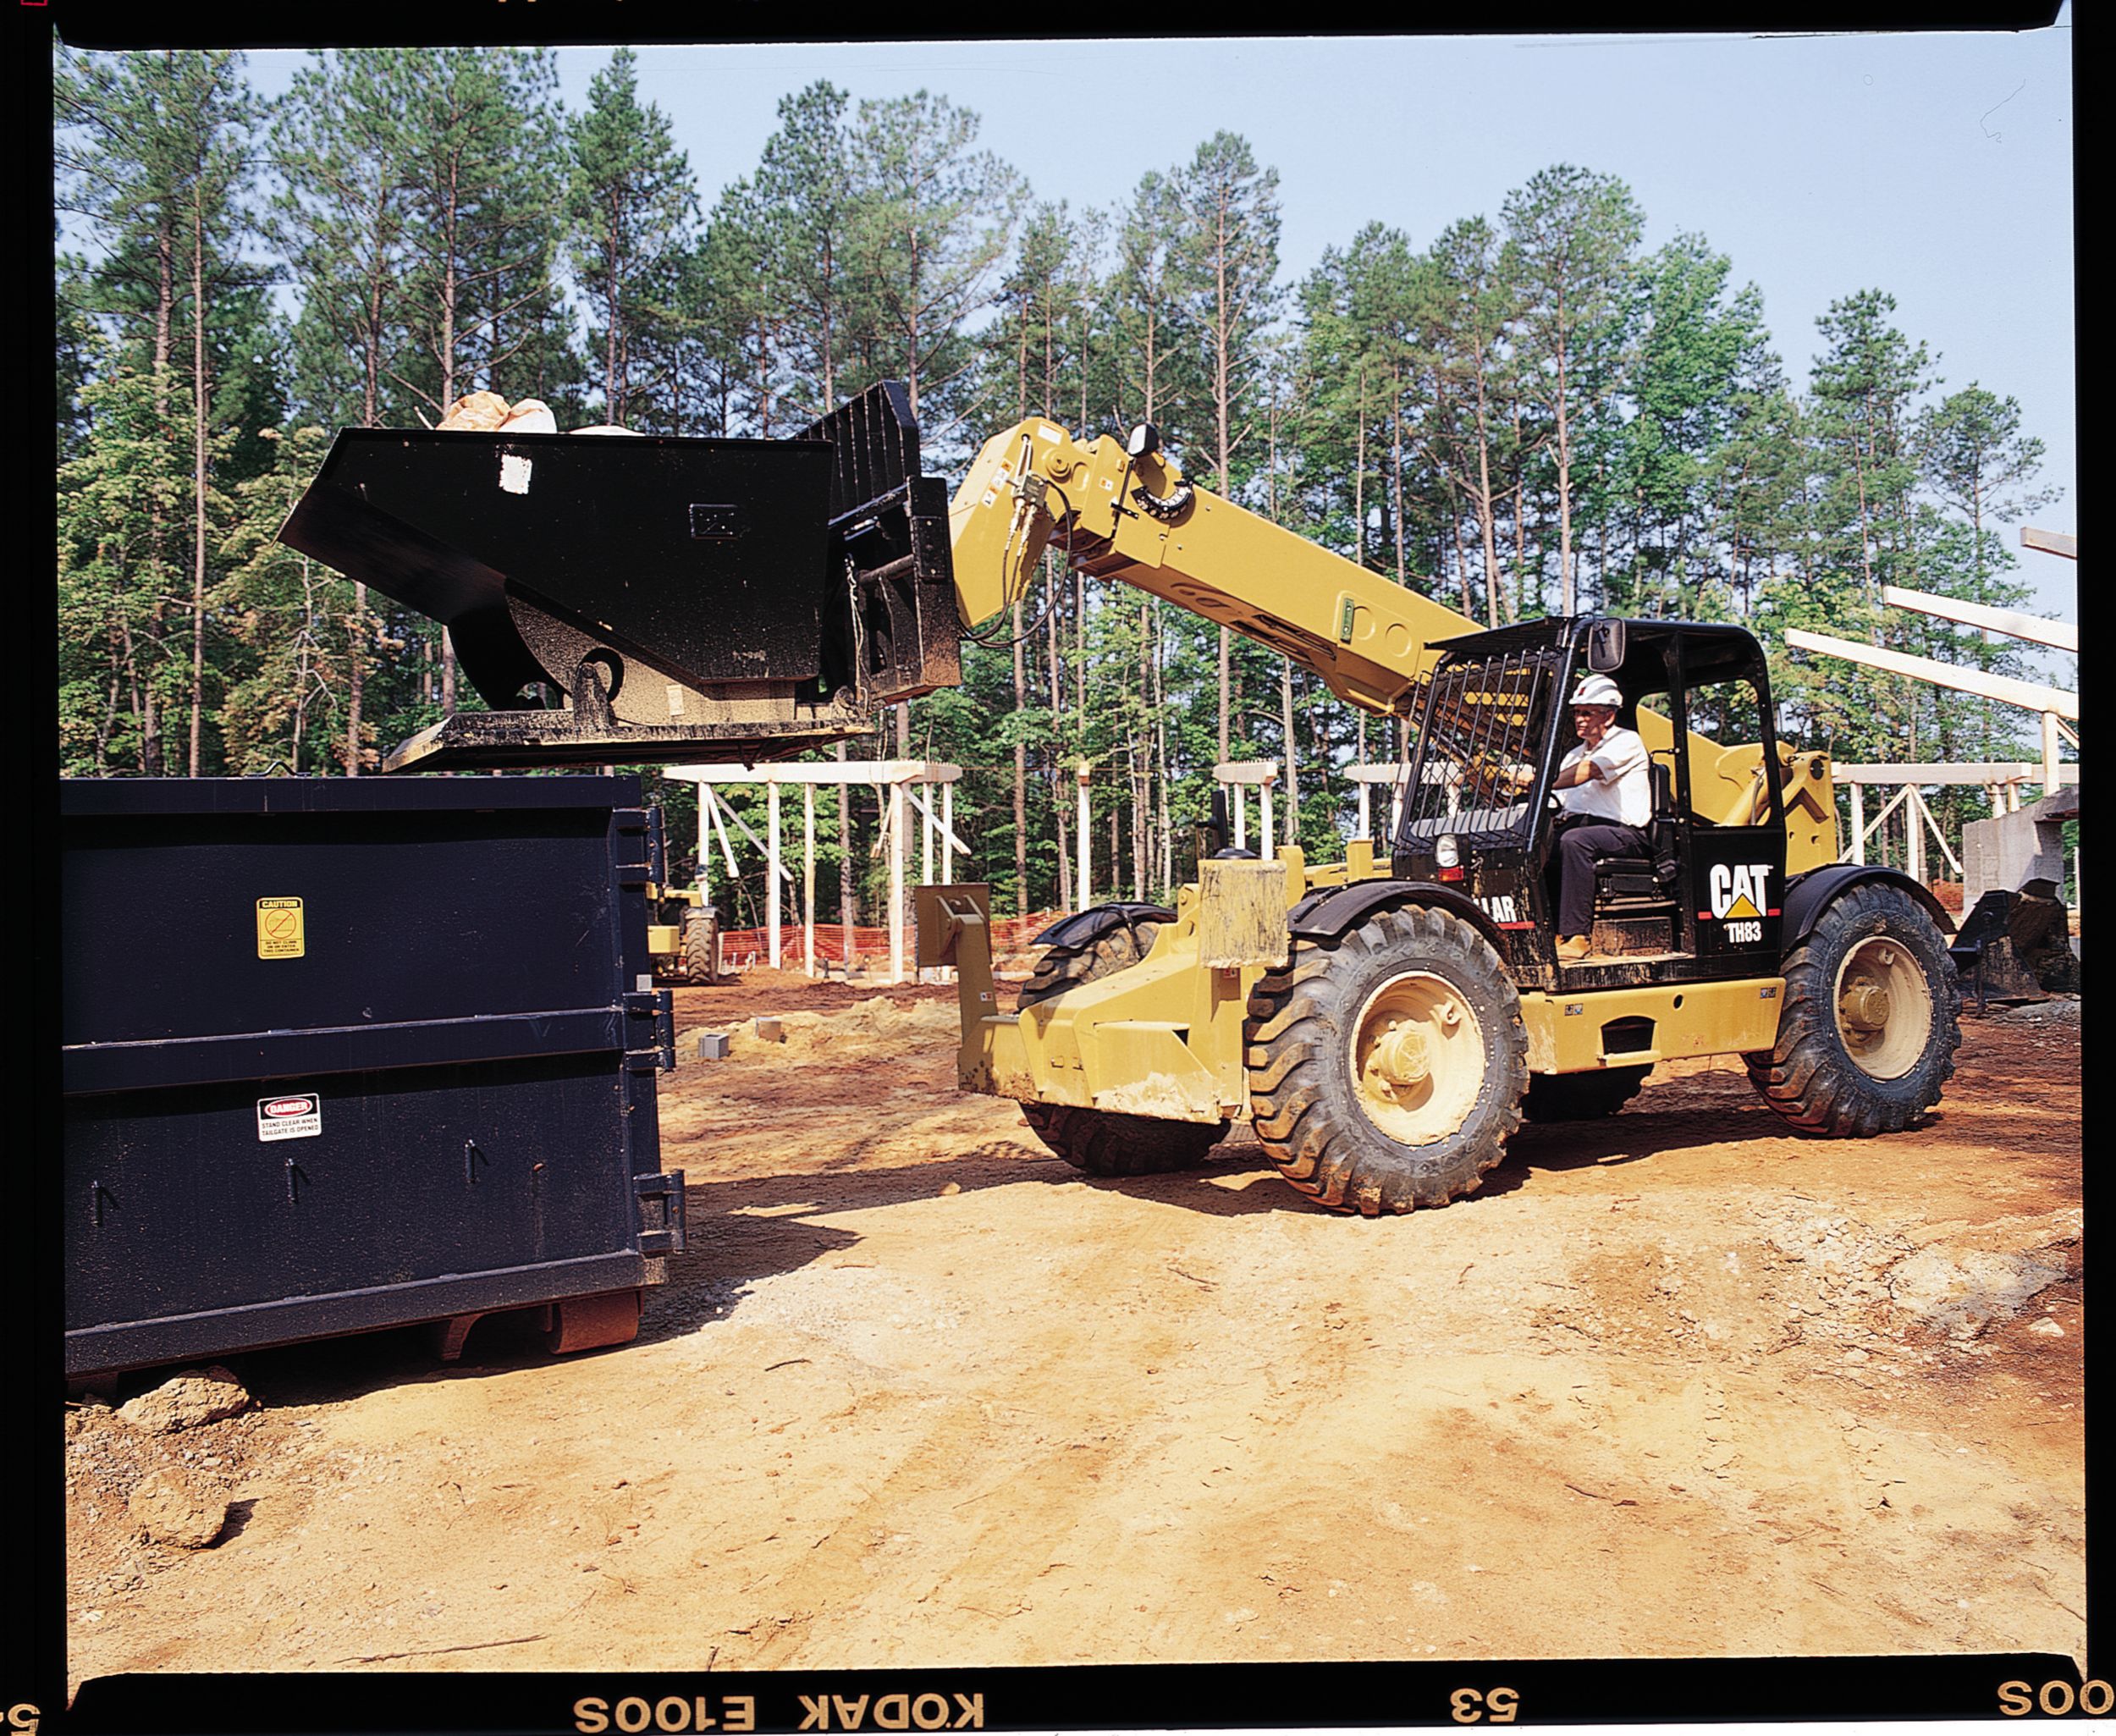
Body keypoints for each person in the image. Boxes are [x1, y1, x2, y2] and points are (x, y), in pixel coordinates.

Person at [1548, 674, 1652, 962]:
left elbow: (1590, 771)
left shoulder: (1626, 742)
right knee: (1537, 845)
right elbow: (1562, 799)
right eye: (1577, 713)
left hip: (1625, 832)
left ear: (1608, 715)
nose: (1579, 719)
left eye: (1587, 712)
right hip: (1583, 827)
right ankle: (1548, 930)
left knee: (1575, 842)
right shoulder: (1572, 755)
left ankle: (1578, 936)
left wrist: (1541, 781)